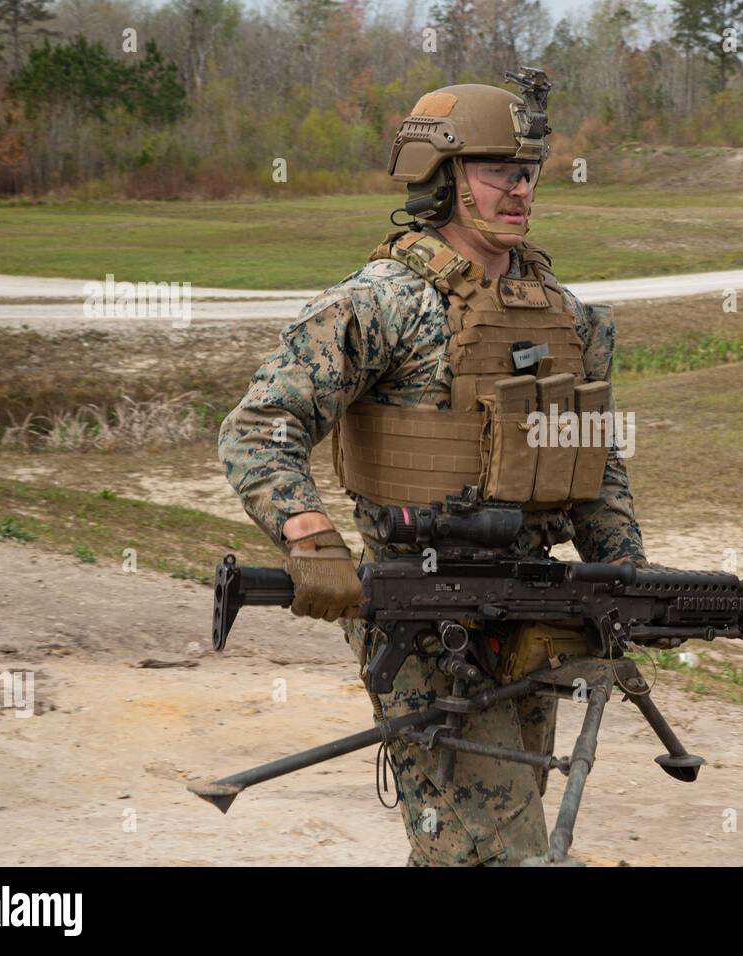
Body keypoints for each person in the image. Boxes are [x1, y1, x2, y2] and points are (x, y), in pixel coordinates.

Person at [217, 68, 647, 866]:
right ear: (444, 180)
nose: (518, 191)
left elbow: (596, 460)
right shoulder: (381, 302)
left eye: (527, 173)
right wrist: (310, 539)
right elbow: (261, 427)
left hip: (535, 613)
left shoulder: (570, 316)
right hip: (421, 616)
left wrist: (628, 576)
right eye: (497, 172)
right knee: (497, 849)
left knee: (470, 840)